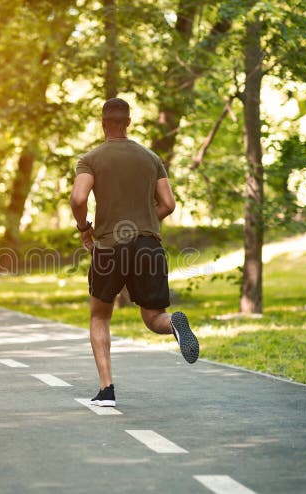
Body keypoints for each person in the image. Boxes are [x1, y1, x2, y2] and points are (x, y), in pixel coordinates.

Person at [70, 97, 199, 408]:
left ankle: (107, 390)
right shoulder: (151, 158)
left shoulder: (91, 159)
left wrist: (83, 227)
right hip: (147, 245)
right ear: (128, 123)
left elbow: (78, 198)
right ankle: (175, 326)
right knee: (153, 317)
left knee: (100, 316)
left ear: (103, 123)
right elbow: (169, 204)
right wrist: (145, 222)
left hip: (109, 246)